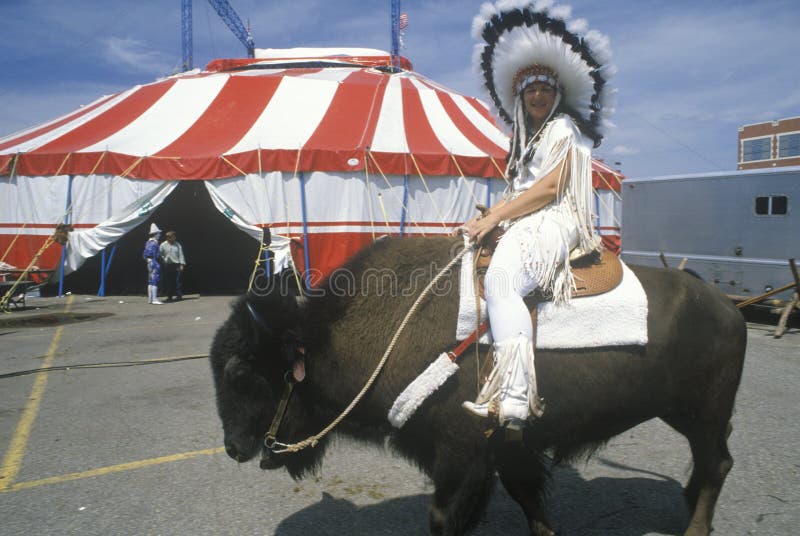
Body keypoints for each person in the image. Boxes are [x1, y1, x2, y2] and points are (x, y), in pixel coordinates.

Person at [460, 1, 615, 429]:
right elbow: (522, 190)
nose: (537, 95)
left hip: (557, 218)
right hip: (529, 218)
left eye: (544, 88)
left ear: (557, 93)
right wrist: (489, 216)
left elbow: (548, 189)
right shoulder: (528, 139)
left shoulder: (563, 129)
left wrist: (494, 219)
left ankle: (513, 396)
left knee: (501, 280)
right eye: (530, 90)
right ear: (521, 96)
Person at [159, 231, 186, 302]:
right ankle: (169, 296)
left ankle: (179, 295)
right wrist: (163, 260)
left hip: (176, 264)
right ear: (168, 238)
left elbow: (181, 254)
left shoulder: (177, 245)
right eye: (171, 237)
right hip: (167, 265)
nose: (173, 238)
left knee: (177, 281)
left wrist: (181, 264)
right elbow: (159, 254)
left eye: (174, 237)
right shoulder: (163, 245)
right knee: (169, 281)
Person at [143, 223, 163, 305]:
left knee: (150, 281)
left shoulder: (148, 242)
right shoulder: (155, 243)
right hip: (154, 262)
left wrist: (147, 260)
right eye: (158, 234)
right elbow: (156, 255)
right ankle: (154, 299)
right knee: (155, 280)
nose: (159, 235)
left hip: (149, 262)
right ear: (155, 234)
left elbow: (144, 254)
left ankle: (150, 299)